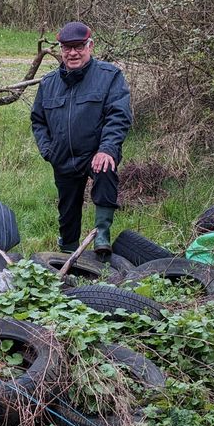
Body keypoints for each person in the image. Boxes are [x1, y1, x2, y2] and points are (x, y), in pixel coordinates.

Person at [30, 21, 132, 256]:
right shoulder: (48, 84)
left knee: (106, 170)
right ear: (60, 49)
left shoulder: (109, 76)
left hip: (96, 152)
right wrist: (48, 150)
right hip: (63, 156)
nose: (73, 53)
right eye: (67, 48)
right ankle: (66, 253)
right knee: (68, 212)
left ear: (90, 46)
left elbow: (119, 115)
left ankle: (101, 235)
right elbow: (38, 120)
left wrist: (107, 149)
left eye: (79, 47)